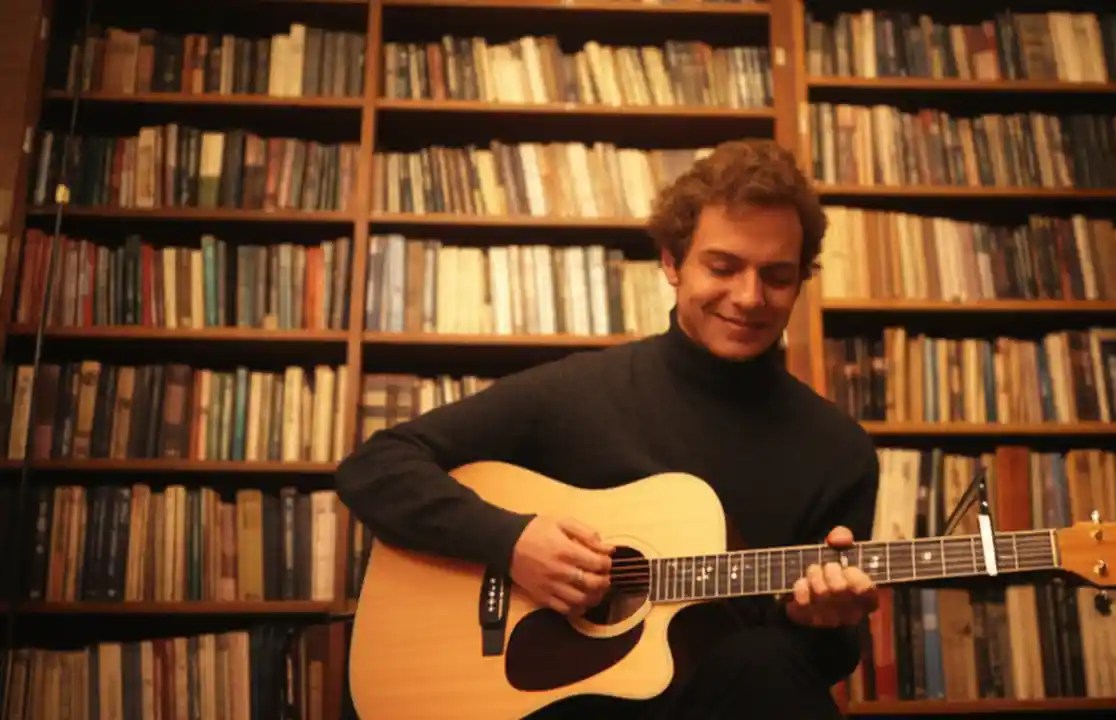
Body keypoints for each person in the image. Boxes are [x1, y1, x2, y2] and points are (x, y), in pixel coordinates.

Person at [334, 138, 881, 719]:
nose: (749, 298)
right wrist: (510, 541)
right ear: (672, 263)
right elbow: (375, 467)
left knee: (767, 661)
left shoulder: (837, 450)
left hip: (711, 705)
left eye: (777, 276)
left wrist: (819, 622)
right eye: (723, 267)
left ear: (801, 279)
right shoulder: (576, 392)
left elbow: (820, 663)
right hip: (549, 706)